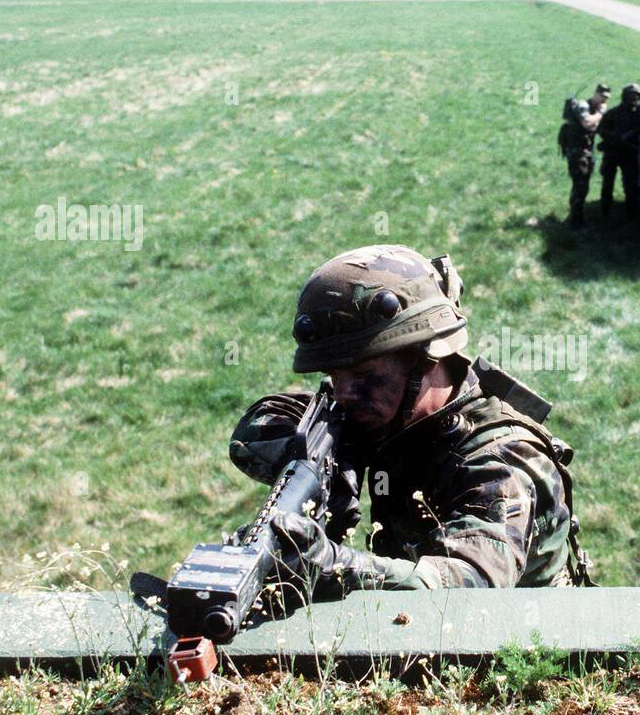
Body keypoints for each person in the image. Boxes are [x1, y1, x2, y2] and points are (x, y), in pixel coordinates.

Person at [227, 245, 589, 598]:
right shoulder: (381, 410)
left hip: (520, 646)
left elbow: (467, 586)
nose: (344, 394)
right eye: (334, 376)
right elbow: (256, 429)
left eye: (365, 375)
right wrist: (324, 466)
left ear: (427, 358)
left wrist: (335, 564)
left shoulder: (500, 459)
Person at [559, 84, 610, 226]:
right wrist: (601, 114)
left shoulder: (594, 109)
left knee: (583, 186)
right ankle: (576, 222)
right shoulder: (583, 105)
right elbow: (587, 123)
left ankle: (577, 218)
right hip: (577, 153)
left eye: (606, 98)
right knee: (579, 186)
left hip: (586, 152)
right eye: (602, 96)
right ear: (596, 94)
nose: (604, 100)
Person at [597, 83, 640, 219]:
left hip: (629, 154)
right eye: (631, 96)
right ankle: (605, 212)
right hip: (612, 152)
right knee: (608, 183)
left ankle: (631, 214)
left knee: (631, 186)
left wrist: (631, 136)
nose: (633, 99)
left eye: (636, 97)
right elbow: (601, 130)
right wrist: (615, 137)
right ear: (624, 97)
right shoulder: (614, 113)